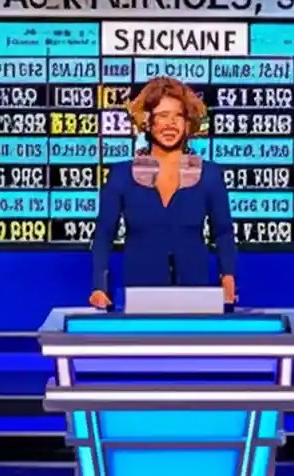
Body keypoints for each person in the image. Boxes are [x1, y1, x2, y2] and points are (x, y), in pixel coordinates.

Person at [89, 77, 237, 308]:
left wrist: (228, 280)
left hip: (195, 297)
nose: (170, 124)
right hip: (139, 297)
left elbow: (224, 233)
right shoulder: (121, 175)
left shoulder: (209, 175)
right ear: (148, 122)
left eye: (178, 116)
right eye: (162, 116)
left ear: (188, 123)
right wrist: (99, 286)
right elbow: (104, 235)